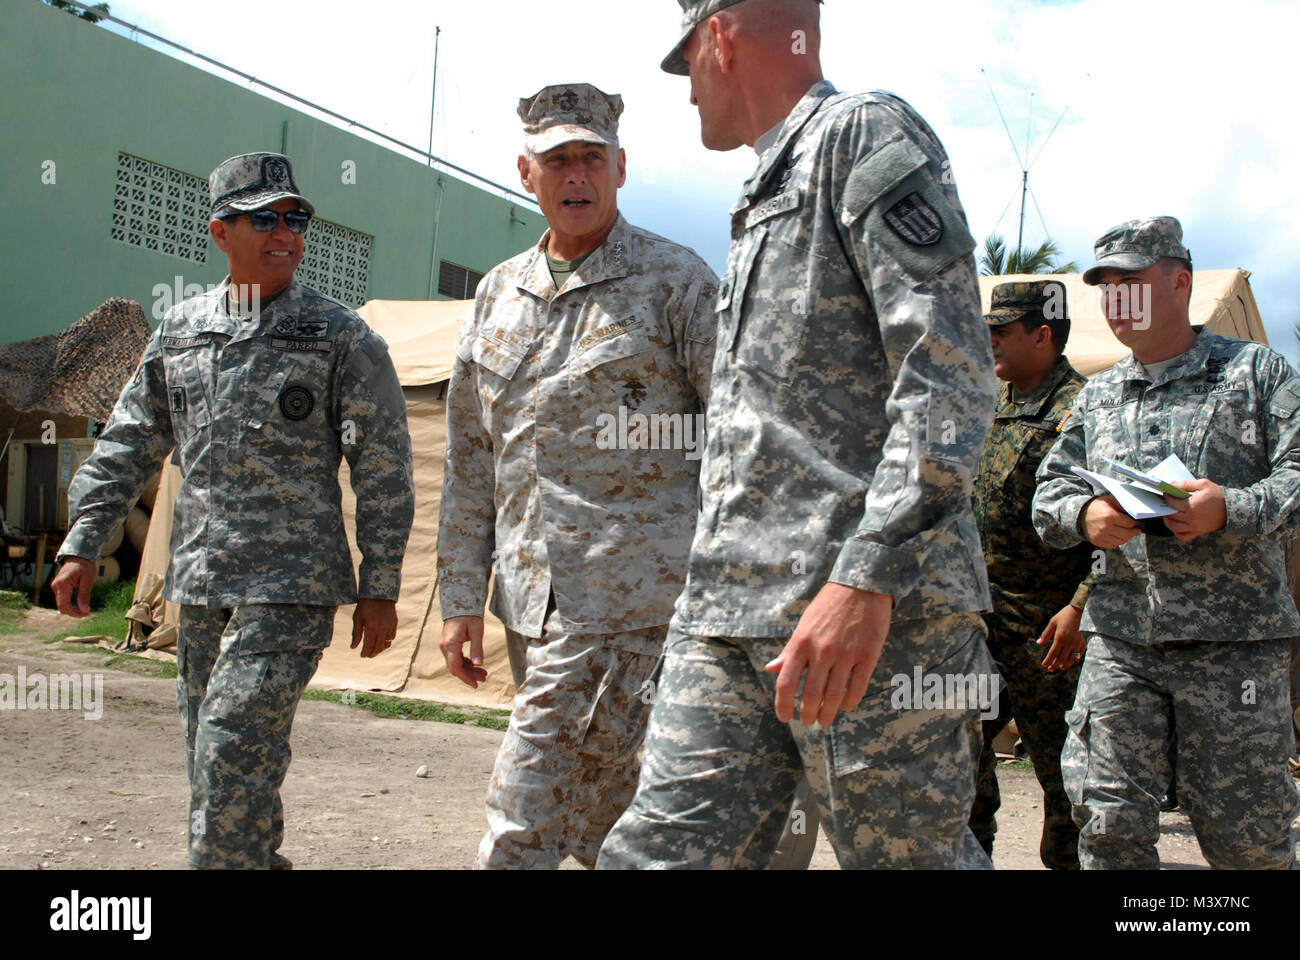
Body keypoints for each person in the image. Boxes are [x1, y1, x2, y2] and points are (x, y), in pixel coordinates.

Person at [598, 0, 998, 869]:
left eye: (687, 63)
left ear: (719, 37)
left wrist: (868, 575)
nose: (689, 90)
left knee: (907, 861)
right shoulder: (765, 186)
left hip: (866, 620)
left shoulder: (862, 135)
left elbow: (950, 372)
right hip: (729, 610)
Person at [52, 152, 415, 870]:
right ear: (221, 231)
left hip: (291, 588)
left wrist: (381, 584)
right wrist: (82, 541)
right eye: (265, 219)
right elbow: (128, 442)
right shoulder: (180, 331)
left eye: (296, 219)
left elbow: (383, 466)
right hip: (202, 582)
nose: (286, 233)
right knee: (214, 771)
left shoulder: (339, 337)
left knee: (228, 752)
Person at [436, 83, 719, 869]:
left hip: (644, 611)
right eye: (556, 159)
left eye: (590, 158)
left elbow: (739, 436)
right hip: (533, 605)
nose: (576, 176)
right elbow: (470, 464)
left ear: (620, 167)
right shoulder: (496, 294)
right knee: (607, 822)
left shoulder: (678, 282)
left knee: (525, 820)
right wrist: (461, 596)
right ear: (526, 174)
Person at [1033, 216, 1300, 869]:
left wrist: (1229, 507)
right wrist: (1086, 516)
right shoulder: (1098, 396)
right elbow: (1048, 495)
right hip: (1122, 645)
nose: (1117, 301)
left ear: (1180, 284)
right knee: (1107, 826)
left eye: (1132, 283)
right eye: (1106, 288)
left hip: (1233, 649)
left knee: (1249, 841)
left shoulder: (1256, 374)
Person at [968, 280, 1095, 870]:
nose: (988, 340)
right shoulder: (986, 402)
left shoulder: (1087, 409)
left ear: (1042, 335)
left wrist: (1080, 608)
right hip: (977, 621)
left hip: (1049, 629)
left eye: (1001, 331)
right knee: (963, 758)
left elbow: (1120, 525)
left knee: (1065, 772)